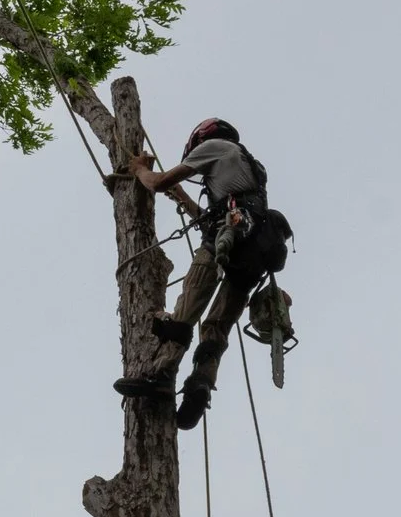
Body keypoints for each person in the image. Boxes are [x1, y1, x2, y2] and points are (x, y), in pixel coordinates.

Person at [111, 117, 290, 429]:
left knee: (186, 310)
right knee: (216, 327)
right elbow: (219, 216)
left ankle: (161, 375)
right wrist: (183, 198)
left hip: (225, 240)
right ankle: (201, 383)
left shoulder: (214, 147)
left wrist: (140, 169)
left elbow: (160, 181)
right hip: (254, 252)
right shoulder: (249, 171)